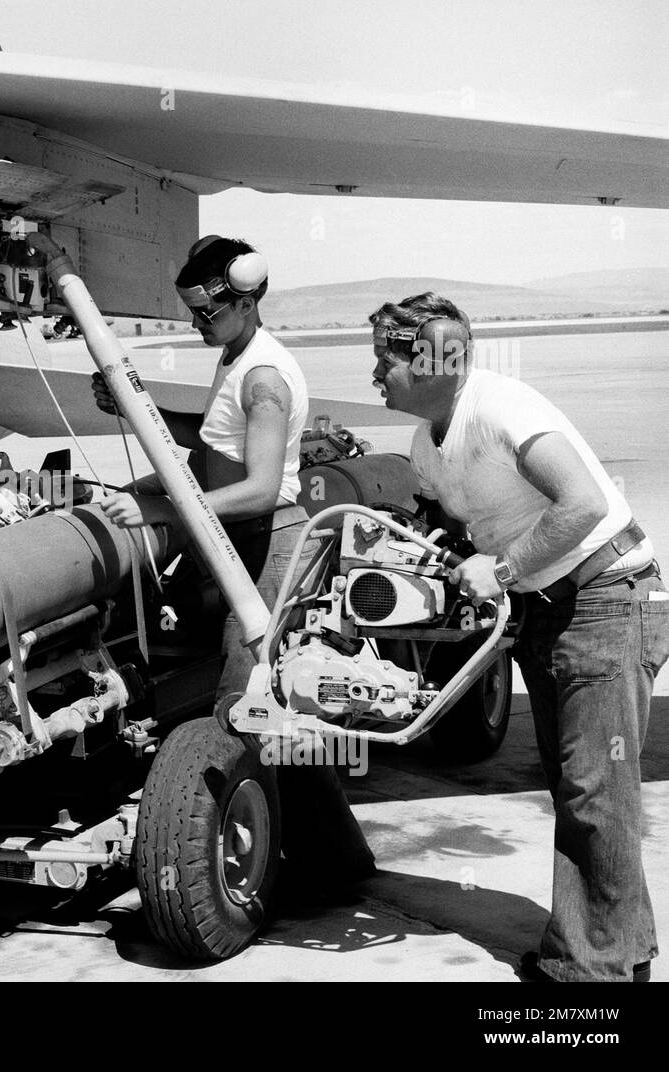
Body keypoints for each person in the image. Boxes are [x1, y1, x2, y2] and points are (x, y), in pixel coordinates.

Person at [369, 292, 668, 982]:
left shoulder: (502, 406)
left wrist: (500, 569)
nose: (375, 374)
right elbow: (458, 527)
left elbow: (585, 503)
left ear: (434, 358)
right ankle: (610, 950)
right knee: (581, 789)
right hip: (548, 608)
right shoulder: (426, 441)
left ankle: (597, 976)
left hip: (610, 595)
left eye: (386, 358)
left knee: (597, 789)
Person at [94, 235, 376, 896]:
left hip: (272, 543)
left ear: (246, 299)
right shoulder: (236, 355)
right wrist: (146, 414)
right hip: (239, 544)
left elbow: (260, 484)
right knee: (277, 711)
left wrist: (167, 512)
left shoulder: (265, 378)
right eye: (190, 312)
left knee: (242, 708)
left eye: (208, 312)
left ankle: (256, 873)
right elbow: (216, 435)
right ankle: (335, 862)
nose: (198, 323)